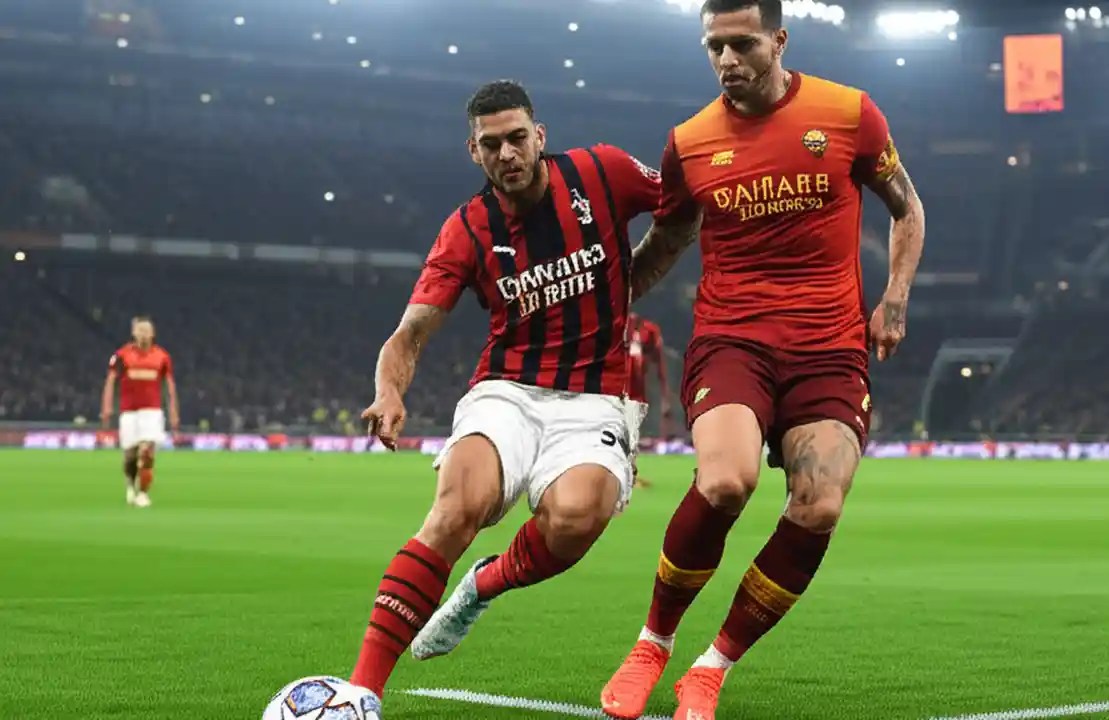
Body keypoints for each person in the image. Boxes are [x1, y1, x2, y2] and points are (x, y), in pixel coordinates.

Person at [599, 1, 926, 718]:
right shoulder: (689, 142)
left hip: (829, 349)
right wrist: (604, 298)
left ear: (778, 40)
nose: (726, 60)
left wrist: (894, 298)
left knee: (820, 505)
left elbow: (907, 206)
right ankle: (653, 642)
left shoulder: (849, 114)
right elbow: (669, 240)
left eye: (742, 43)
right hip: (733, 340)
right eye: (713, 46)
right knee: (725, 484)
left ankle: (711, 667)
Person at [347, 79, 661, 700]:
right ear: (474, 152)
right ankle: (361, 695)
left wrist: (638, 274)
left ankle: (483, 586)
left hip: (596, 396)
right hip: (506, 390)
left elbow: (684, 205)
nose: (507, 154)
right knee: (458, 506)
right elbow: (408, 334)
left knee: (574, 519)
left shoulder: (606, 172)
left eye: (517, 138)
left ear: (540, 136)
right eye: (491, 144)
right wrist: (389, 393)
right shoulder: (466, 229)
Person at [100, 315, 179, 508]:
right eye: (140, 330)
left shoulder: (162, 357)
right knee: (130, 455)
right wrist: (107, 407)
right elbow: (110, 381)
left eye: (147, 331)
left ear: (153, 334)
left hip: (152, 412)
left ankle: (143, 493)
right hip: (129, 412)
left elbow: (169, 386)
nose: (143, 334)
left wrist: (174, 411)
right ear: (133, 333)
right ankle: (130, 484)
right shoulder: (121, 355)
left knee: (147, 452)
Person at [625, 312, 671, 488]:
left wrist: (665, 397)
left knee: (632, 432)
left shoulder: (649, 331)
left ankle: (630, 473)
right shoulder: (615, 327)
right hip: (614, 390)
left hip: (636, 392)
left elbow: (660, 365)